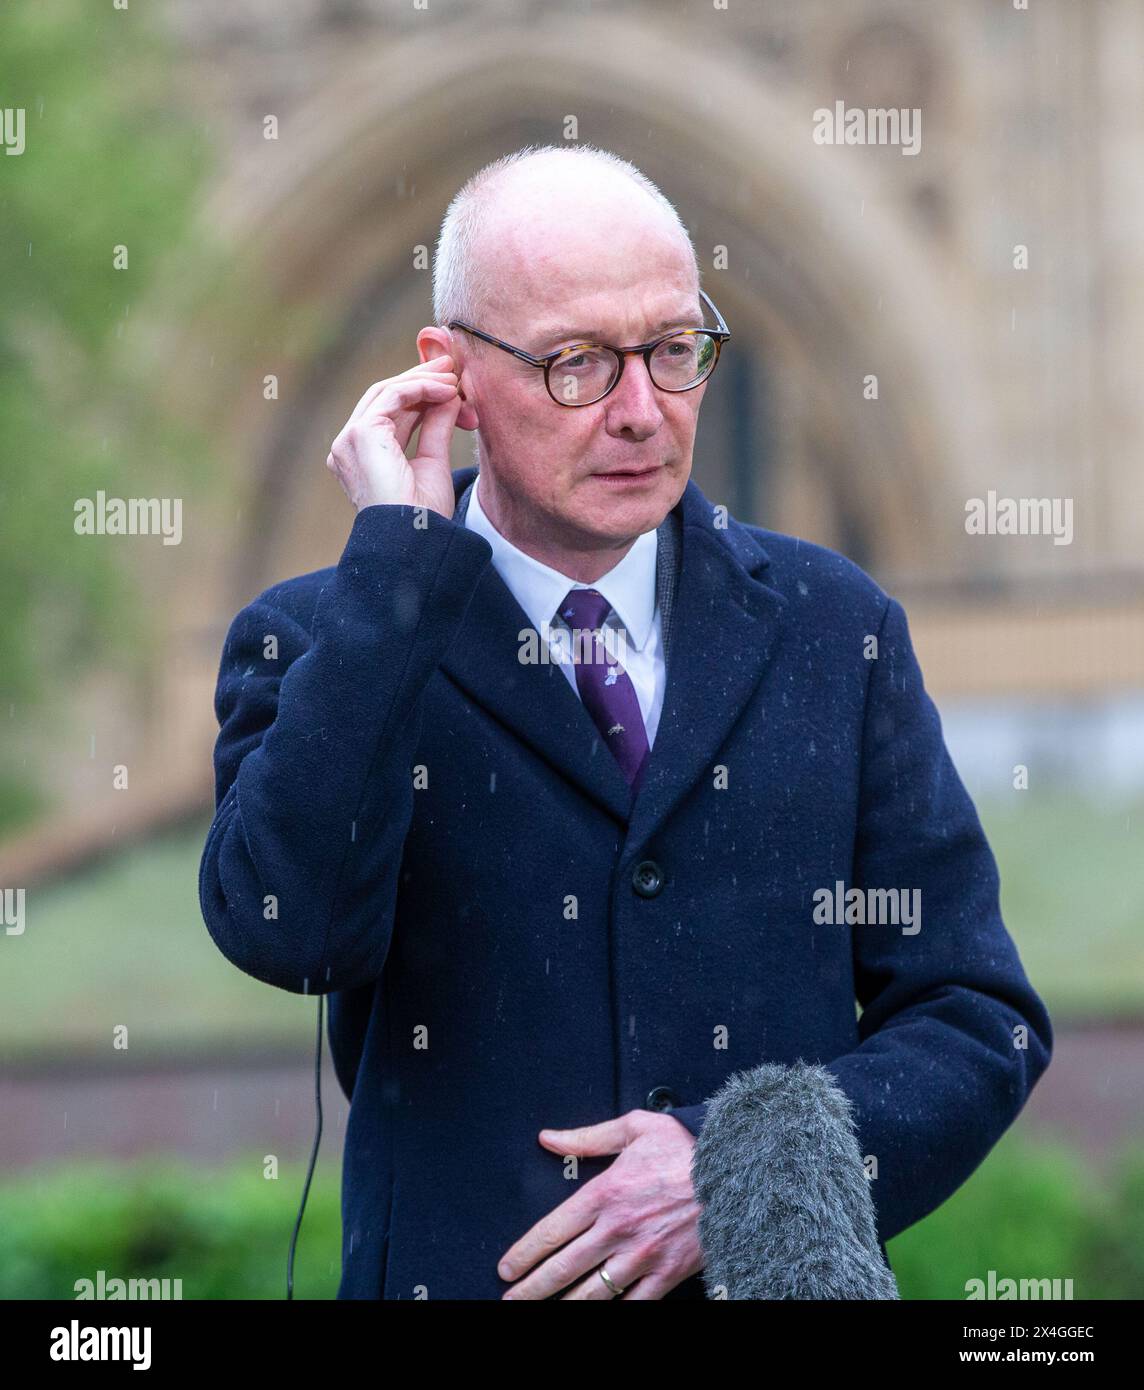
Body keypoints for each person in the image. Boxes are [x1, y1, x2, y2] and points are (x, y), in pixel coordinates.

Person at [199, 143, 1052, 1300]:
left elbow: (976, 1014)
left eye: (672, 349)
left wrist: (737, 1166)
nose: (643, 412)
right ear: (447, 374)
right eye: (578, 365)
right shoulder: (324, 637)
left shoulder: (834, 624)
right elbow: (287, 932)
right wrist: (393, 576)